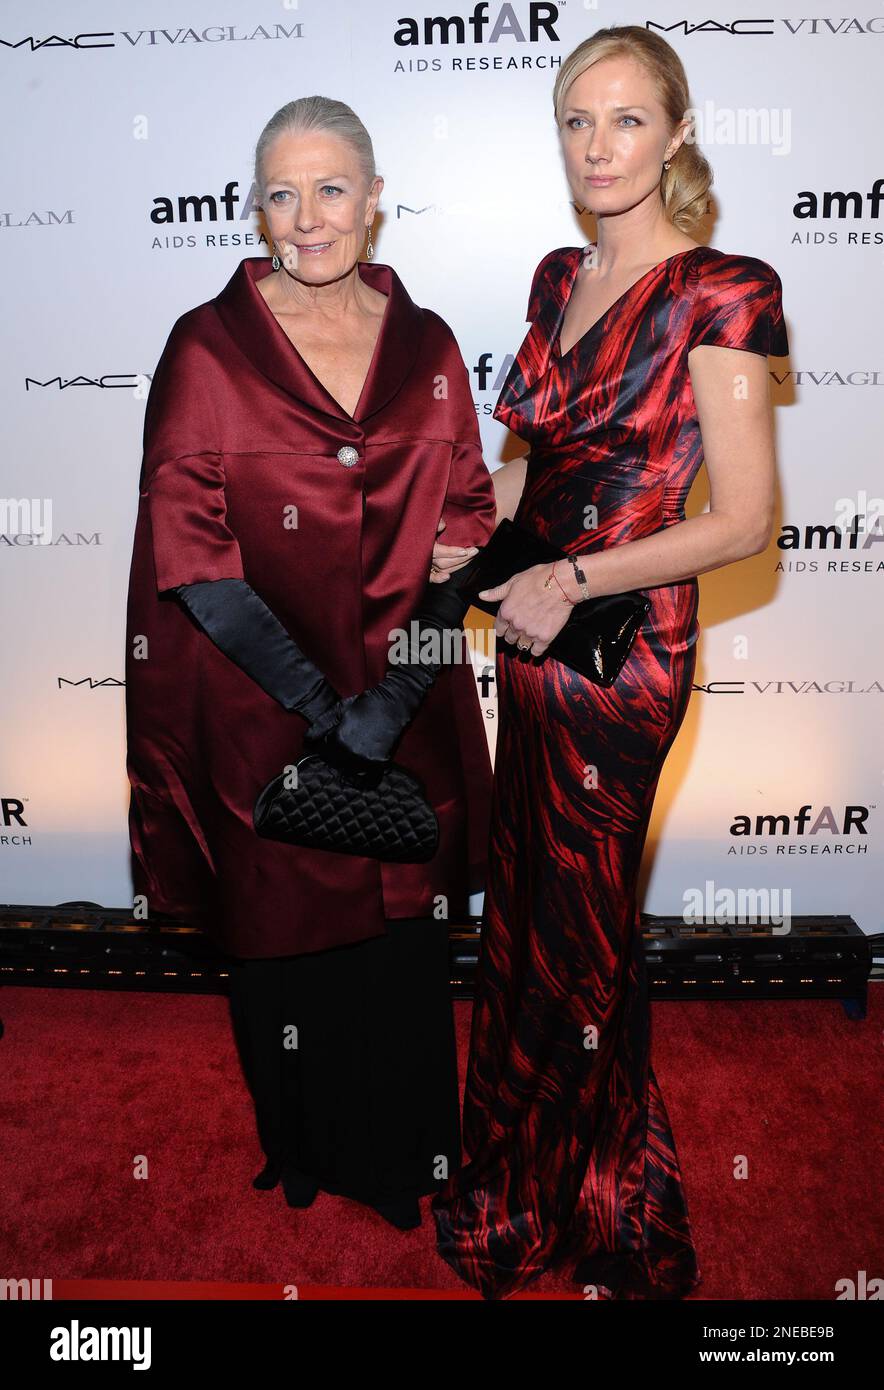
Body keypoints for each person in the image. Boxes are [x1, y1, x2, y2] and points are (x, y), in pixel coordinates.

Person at [430, 26, 789, 1297]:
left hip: (623, 649)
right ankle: (525, 1177)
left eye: (625, 120)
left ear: (677, 133)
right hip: (535, 632)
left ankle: (605, 1203)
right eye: (575, 120)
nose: (596, 146)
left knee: (579, 925)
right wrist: (474, 555)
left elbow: (744, 519)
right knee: (531, 911)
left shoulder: (720, 289)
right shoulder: (555, 276)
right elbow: (538, 471)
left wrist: (572, 575)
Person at [124, 96, 497, 1230]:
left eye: (331, 188)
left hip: (408, 706)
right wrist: (327, 711)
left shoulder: (428, 349)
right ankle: (300, 1141)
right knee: (283, 943)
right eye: (280, 193)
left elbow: (469, 532)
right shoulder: (207, 346)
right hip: (262, 710)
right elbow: (193, 559)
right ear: (256, 208)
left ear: (375, 199)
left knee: (395, 945)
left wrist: (388, 702)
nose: (307, 218)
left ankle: (399, 1158)